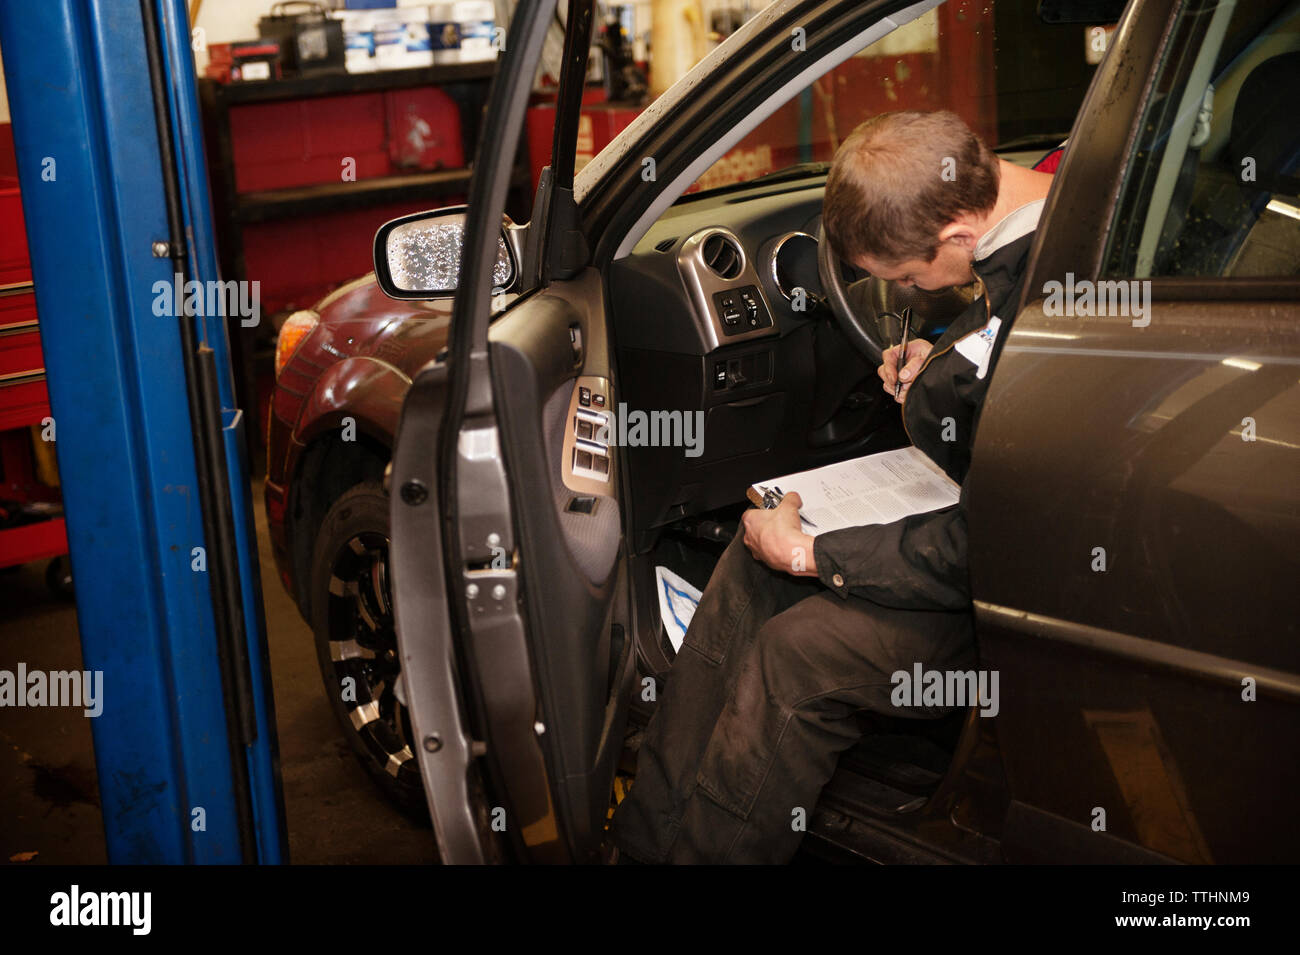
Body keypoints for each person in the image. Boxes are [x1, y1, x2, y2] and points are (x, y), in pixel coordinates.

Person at [608, 110, 1055, 864]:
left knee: (798, 651)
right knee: (750, 560)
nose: (912, 290)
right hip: (979, 533)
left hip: (1011, 595)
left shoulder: (1048, 293)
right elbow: (990, 378)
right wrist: (937, 371)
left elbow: (983, 547)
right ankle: (645, 844)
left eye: (910, 280)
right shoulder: (1037, 217)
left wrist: (815, 555)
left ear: (957, 234)